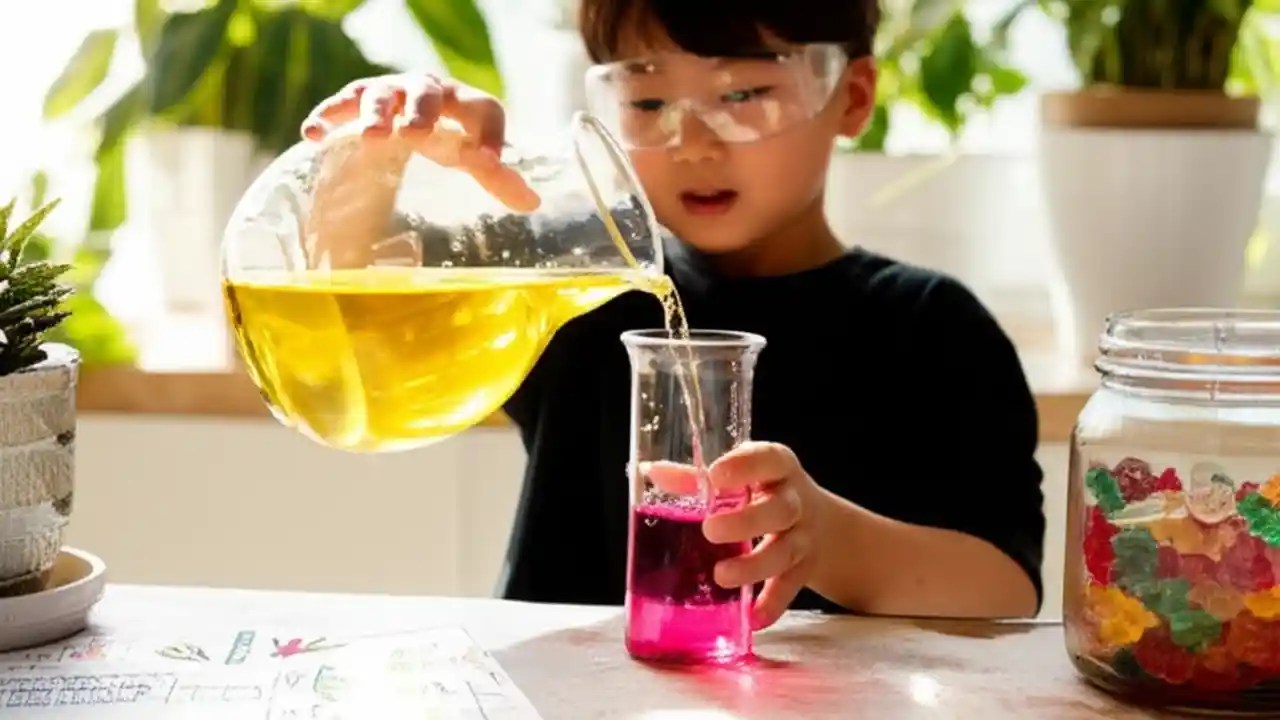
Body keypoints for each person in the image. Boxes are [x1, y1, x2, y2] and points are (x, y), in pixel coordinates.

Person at [300, 0, 1046, 628]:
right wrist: (383, 151)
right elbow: (347, 308)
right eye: (649, 103)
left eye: (744, 97)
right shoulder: (579, 291)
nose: (691, 143)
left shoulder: (930, 328)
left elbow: (1005, 592)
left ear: (849, 97)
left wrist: (827, 540)